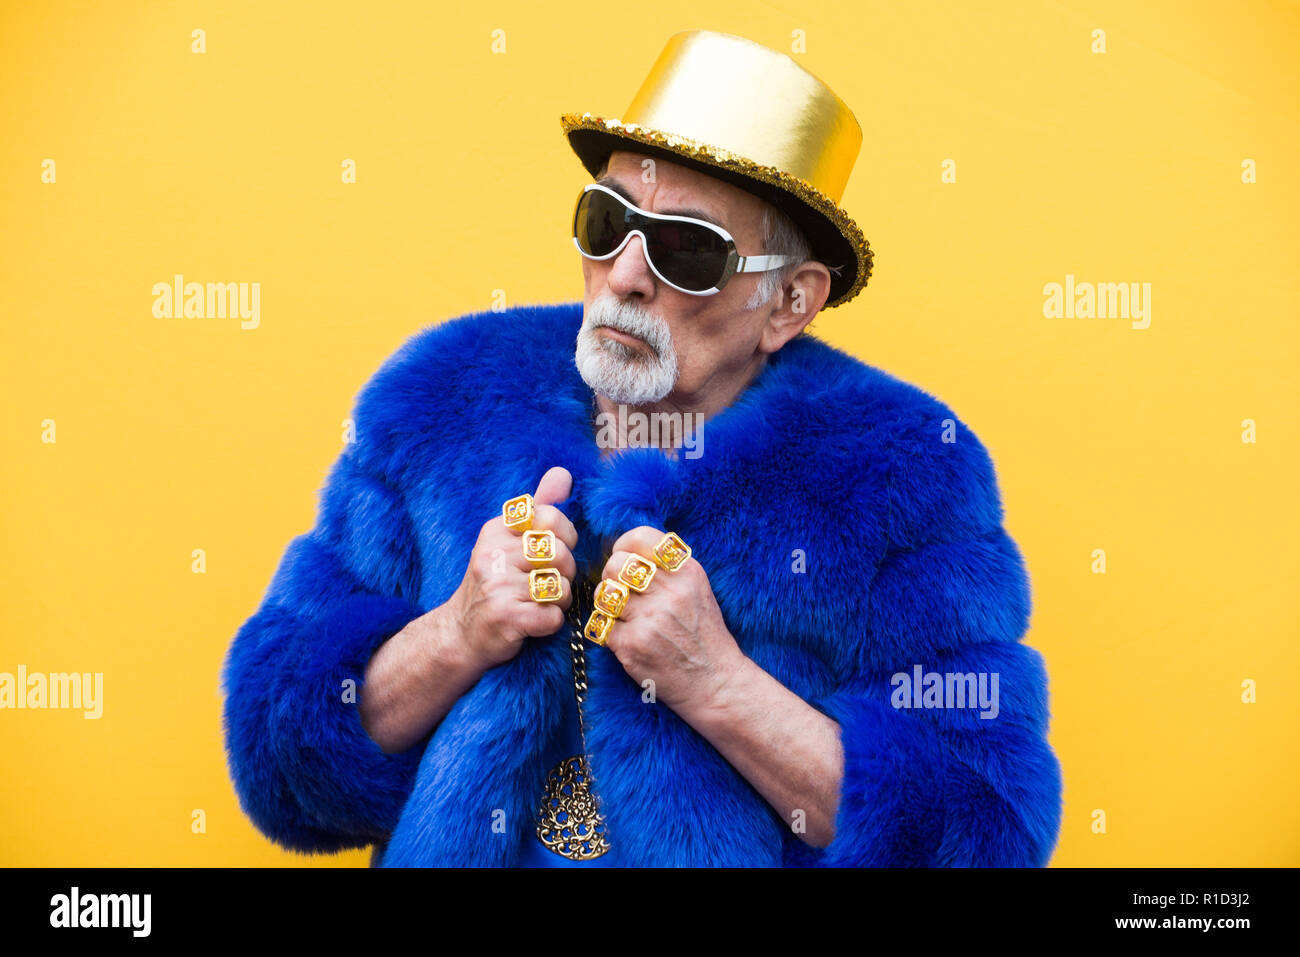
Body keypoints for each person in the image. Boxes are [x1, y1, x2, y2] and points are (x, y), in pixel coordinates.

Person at [221, 29, 1063, 867]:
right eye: (608, 220)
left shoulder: (901, 471)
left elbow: (985, 831)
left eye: (688, 248)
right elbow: (281, 761)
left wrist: (718, 683)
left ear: (788, 304)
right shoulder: (439, 402)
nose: (624, 272)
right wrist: (454, 634)